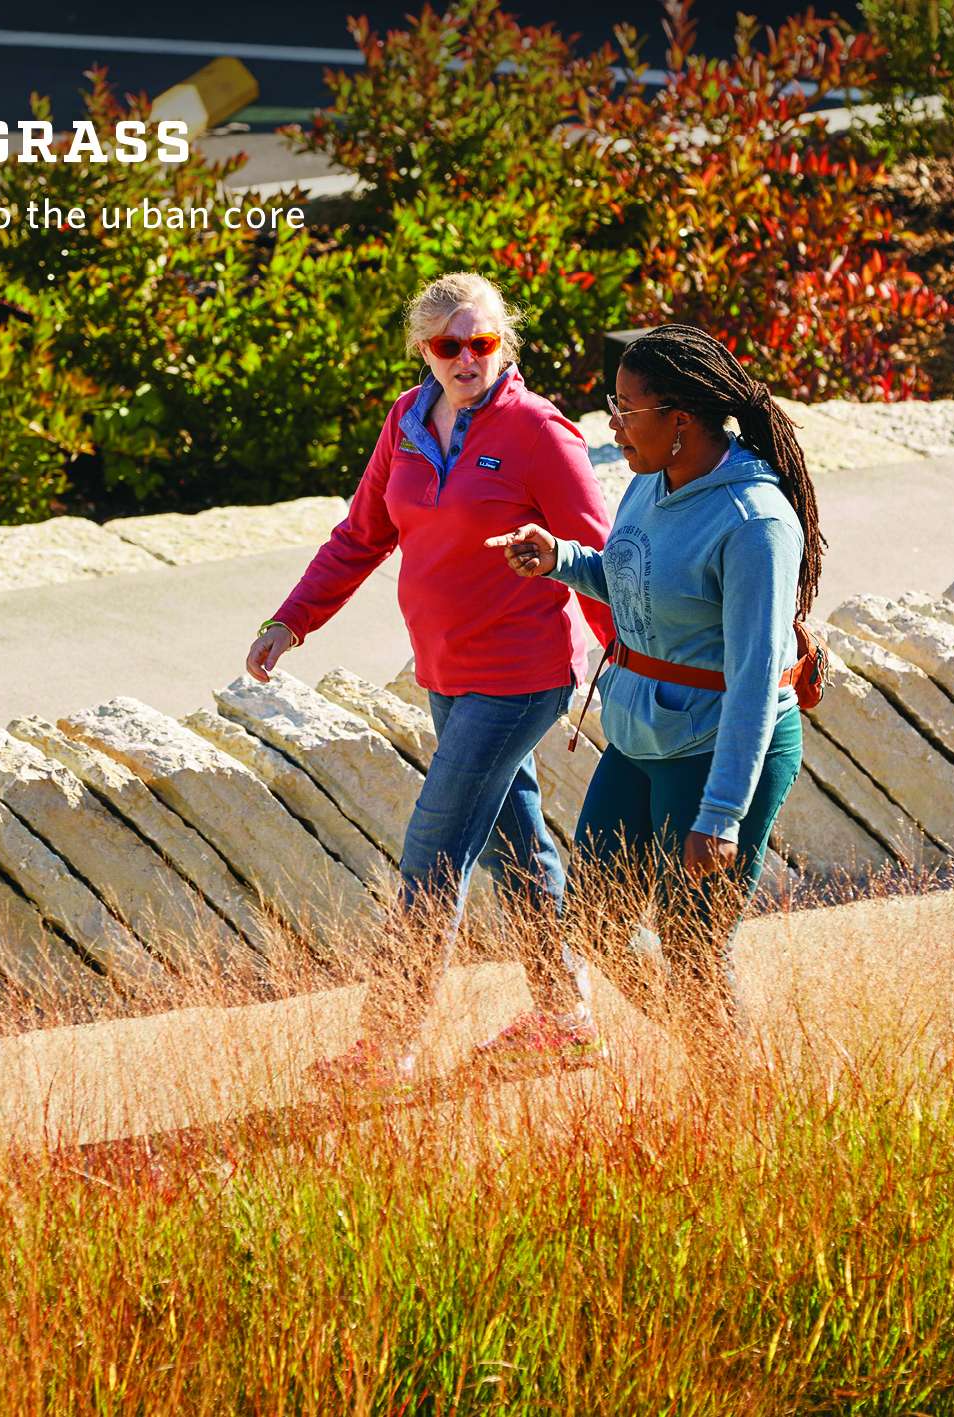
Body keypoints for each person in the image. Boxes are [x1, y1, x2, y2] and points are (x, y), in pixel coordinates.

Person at [245, 272, 615, 1093]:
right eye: (448, 345)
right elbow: (361, 535)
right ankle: (567, 1019)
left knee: (433, 853)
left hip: (521, 675)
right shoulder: (407, 425)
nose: (466, 358)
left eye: (481, 342)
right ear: (423, 350)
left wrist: (628, 664)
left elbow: (599, 555)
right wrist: (290, 620)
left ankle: (386, 1045)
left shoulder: (538, 432)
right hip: (446, 671)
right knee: (518, 847)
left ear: (503, 342)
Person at [488, 323, 825, 1069]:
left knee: (694, 946)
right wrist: (562, 560)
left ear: (681, 420)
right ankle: (723, 1057)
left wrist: (720, 813)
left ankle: (738, 1098)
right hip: (642, 739)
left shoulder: (755, 523)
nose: (612, 421)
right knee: (599, 922)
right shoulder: (650, 479)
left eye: (628, 407)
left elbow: (750, 681)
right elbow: (634, 577)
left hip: (720, 752)